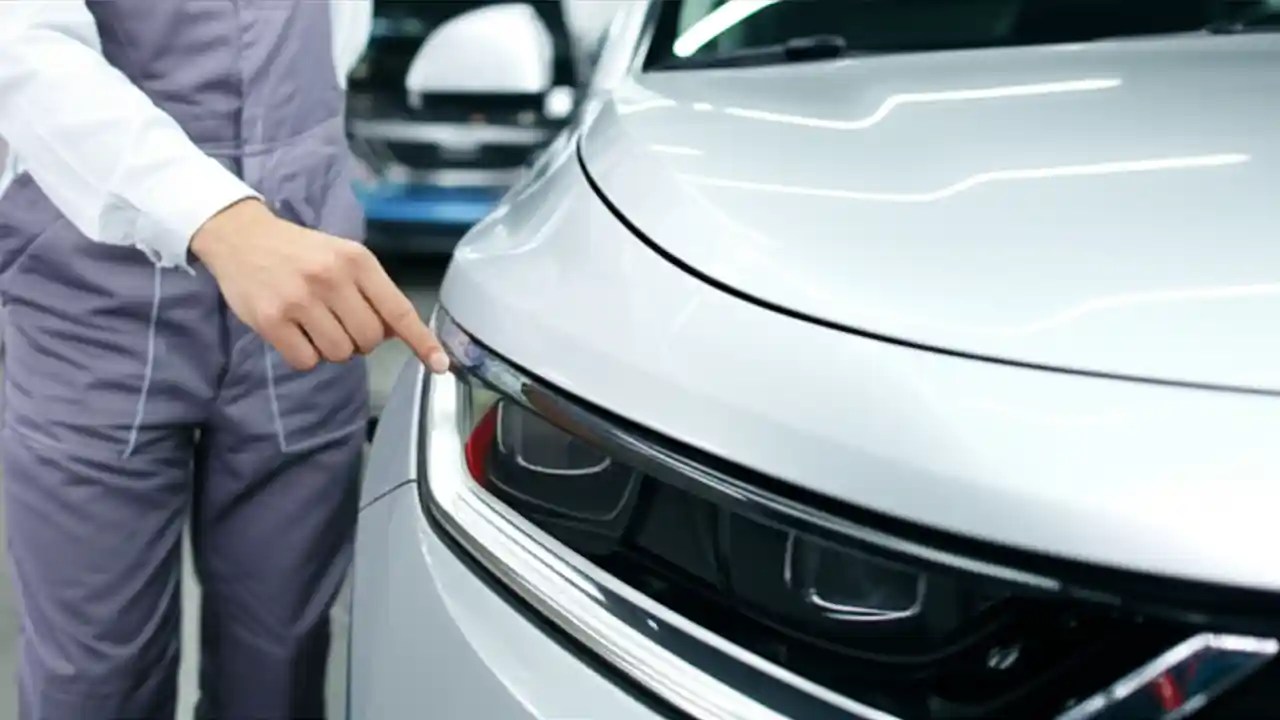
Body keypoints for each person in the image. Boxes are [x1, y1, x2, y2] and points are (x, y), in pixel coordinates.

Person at [0, 1, 449, 717]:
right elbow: (17, 44)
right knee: (96, 676)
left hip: (304, 282)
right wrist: (213, 212)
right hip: (87, 290)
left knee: (282, 655)